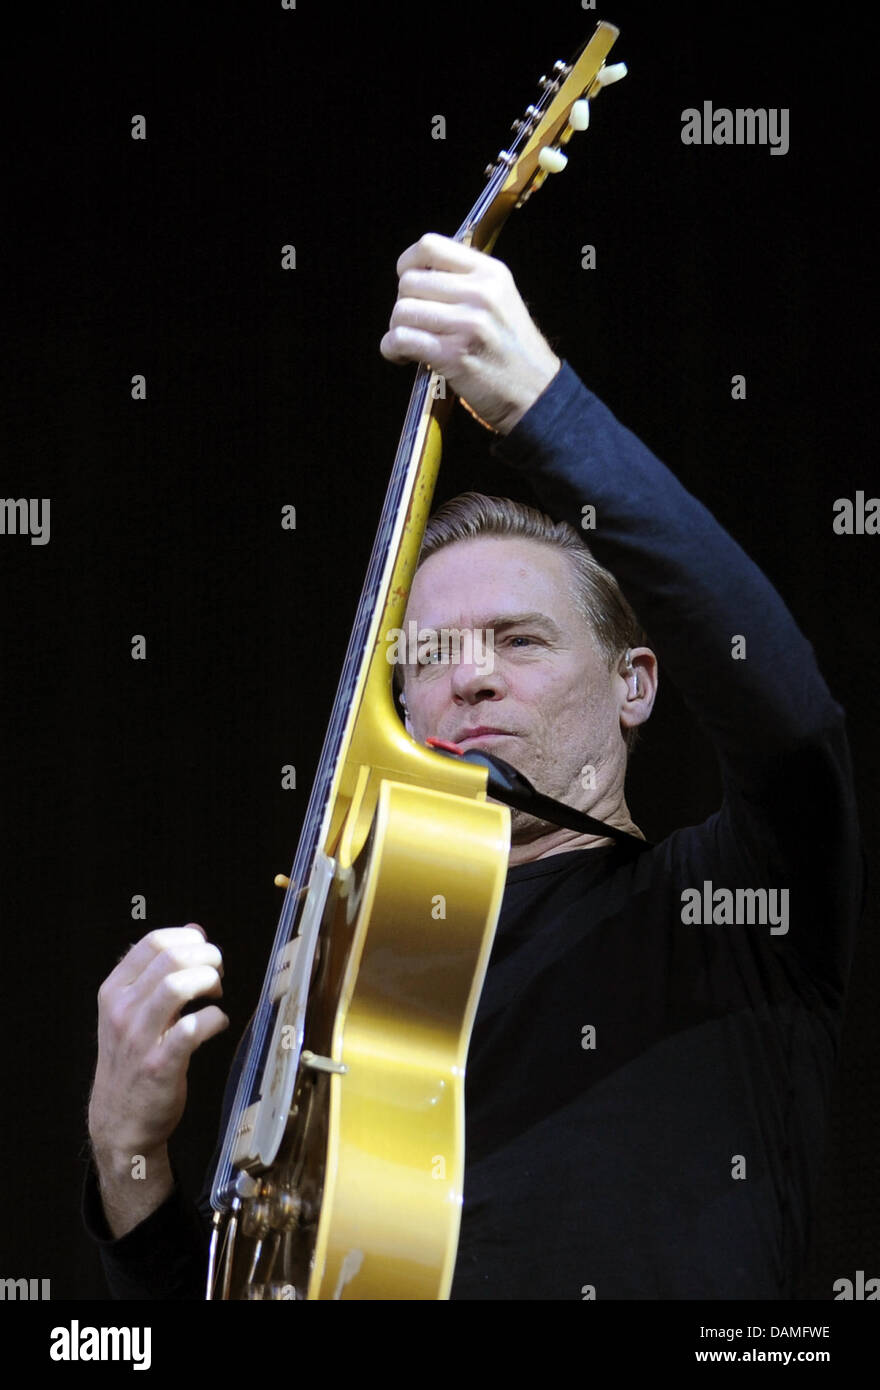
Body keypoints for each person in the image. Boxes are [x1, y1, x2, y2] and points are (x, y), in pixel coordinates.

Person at [83, 234, 864, 1299]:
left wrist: (545, 406)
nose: (470, 679)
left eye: (521, 639)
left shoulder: (726, 910)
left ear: (637, 684)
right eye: (432, 655)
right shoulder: (331, 999)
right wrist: (129, 1154)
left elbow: (787, 721)